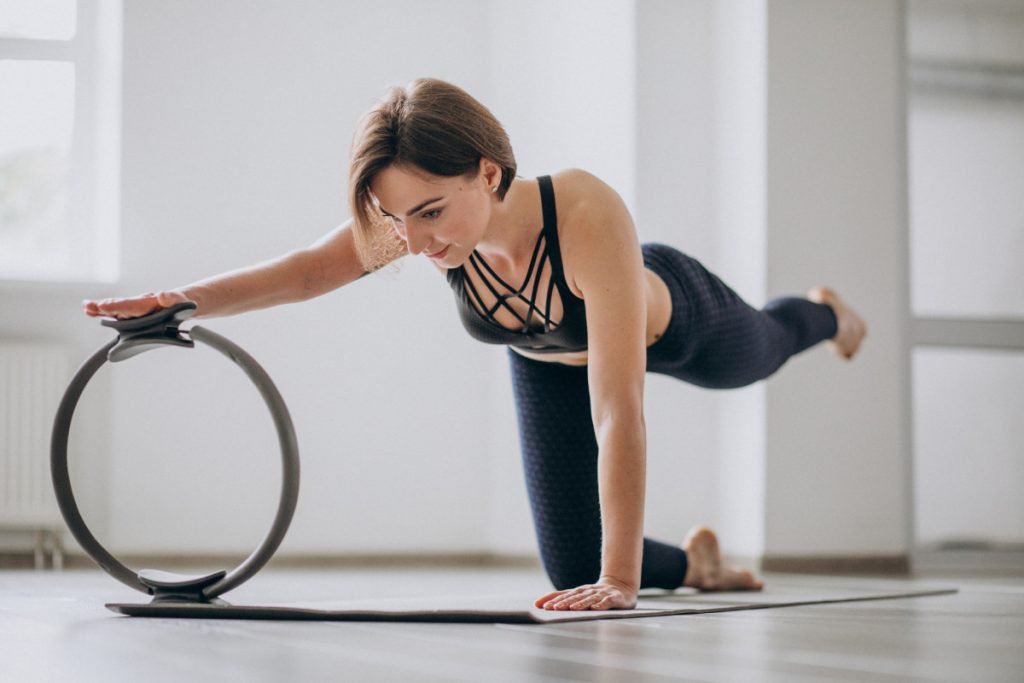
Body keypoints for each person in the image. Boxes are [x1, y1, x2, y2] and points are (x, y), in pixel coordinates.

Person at [84, 78, 867, 612]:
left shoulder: (587, 214)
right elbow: (306, 271)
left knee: (765, 348)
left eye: (429, 213)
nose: (414, 241)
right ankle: (697, 565)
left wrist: (622, 580)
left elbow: (619, 410)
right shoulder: (422, 229)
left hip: (673, 324)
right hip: (542, 359)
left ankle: (827, 314)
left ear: (488, 172)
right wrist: (181, 300)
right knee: (571, 571)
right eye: (397, 223)